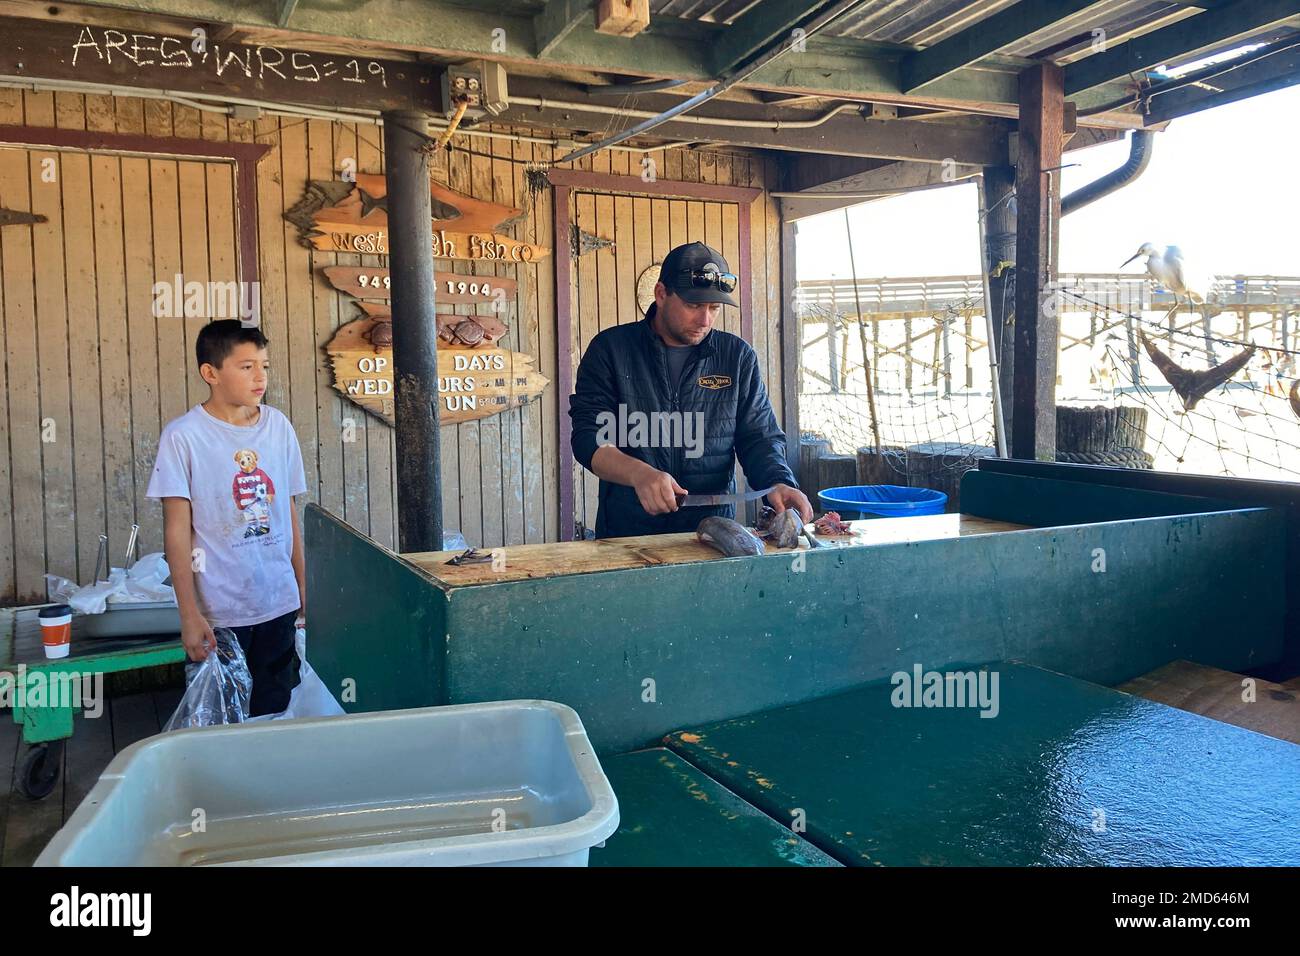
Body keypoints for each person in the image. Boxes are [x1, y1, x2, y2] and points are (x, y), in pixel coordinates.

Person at [569, 241, 811, 538]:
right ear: (661, 294)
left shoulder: (736, 357)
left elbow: (759, 437)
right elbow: (589, 439)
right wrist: (639, 473)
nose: (705, 319)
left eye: (714, 307)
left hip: (713, 534)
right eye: (694, 305)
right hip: (627, 532)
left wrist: (778, 481)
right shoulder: (610, 350)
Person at [147, 320, 306, 716]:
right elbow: (177, 532)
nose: (260, 377)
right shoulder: (184, 436)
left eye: (264, 366)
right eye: (246, 366)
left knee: (277, 715)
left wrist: (304, 589)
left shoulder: (278, 427)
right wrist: (189, 613)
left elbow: (286, 512)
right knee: (224, 722)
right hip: (221, 614)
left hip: (277, 603)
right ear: (211, 373)